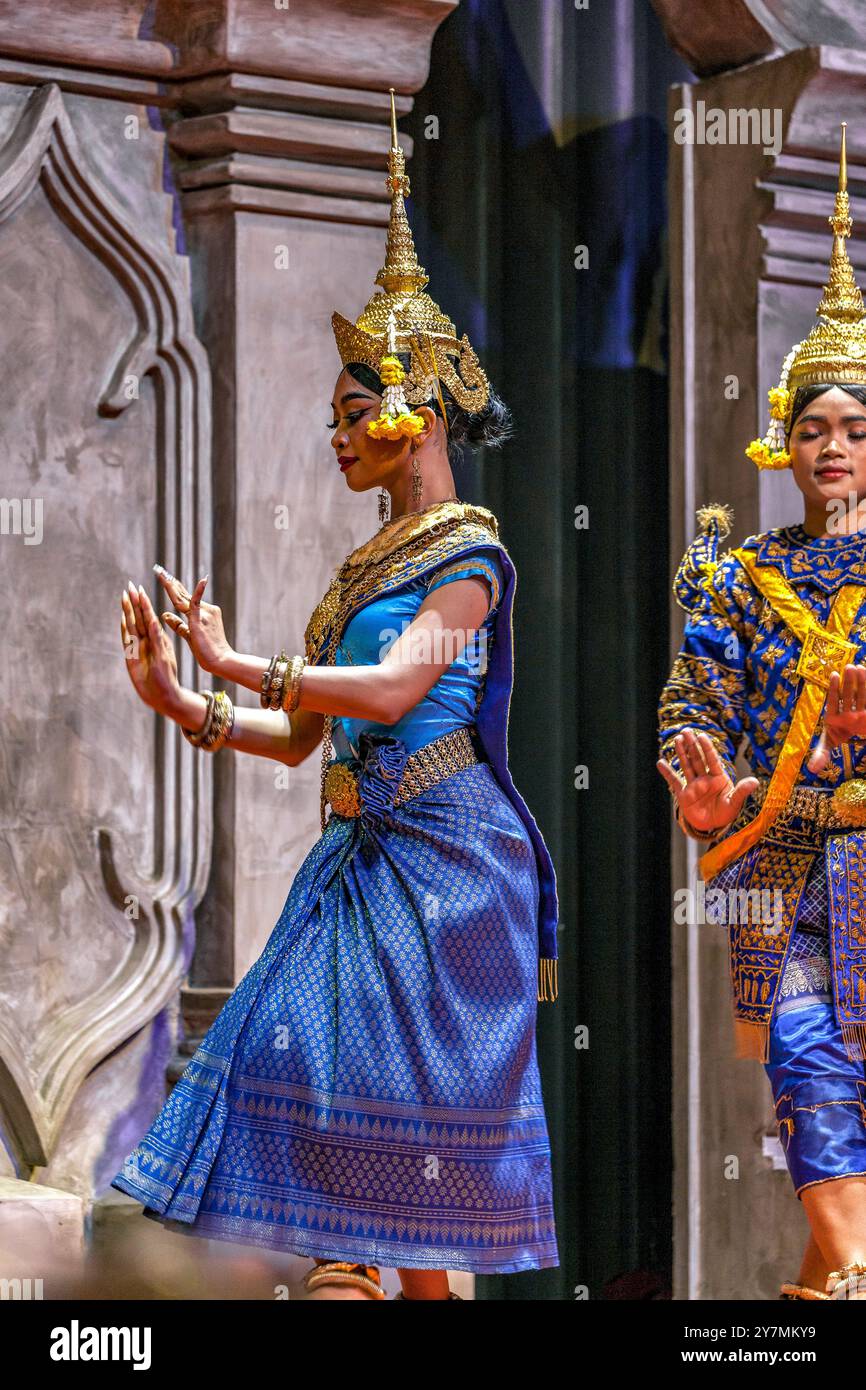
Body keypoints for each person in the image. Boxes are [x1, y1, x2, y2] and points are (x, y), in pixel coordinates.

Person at [110, 90, 560, 1301]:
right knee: (298, 1074)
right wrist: (180, 699)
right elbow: (300, 736)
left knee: (392, 1173)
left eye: (356, 412)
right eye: (332, 418)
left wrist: (239, 659)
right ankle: (345, 1267)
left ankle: (361, 1270)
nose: (338, 434)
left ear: (417, 410)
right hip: (359, 860)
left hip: (449, 872)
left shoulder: (469, 554)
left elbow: (403, 683)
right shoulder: (361, 566)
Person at [657, 124, 866, 1302]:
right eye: (808, 426)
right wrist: (701, 787)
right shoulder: (737, 573)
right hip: (782, 864)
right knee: (804, 1076)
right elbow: (697, 699)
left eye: (850, 427)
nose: (827, 447)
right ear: (777, 437)